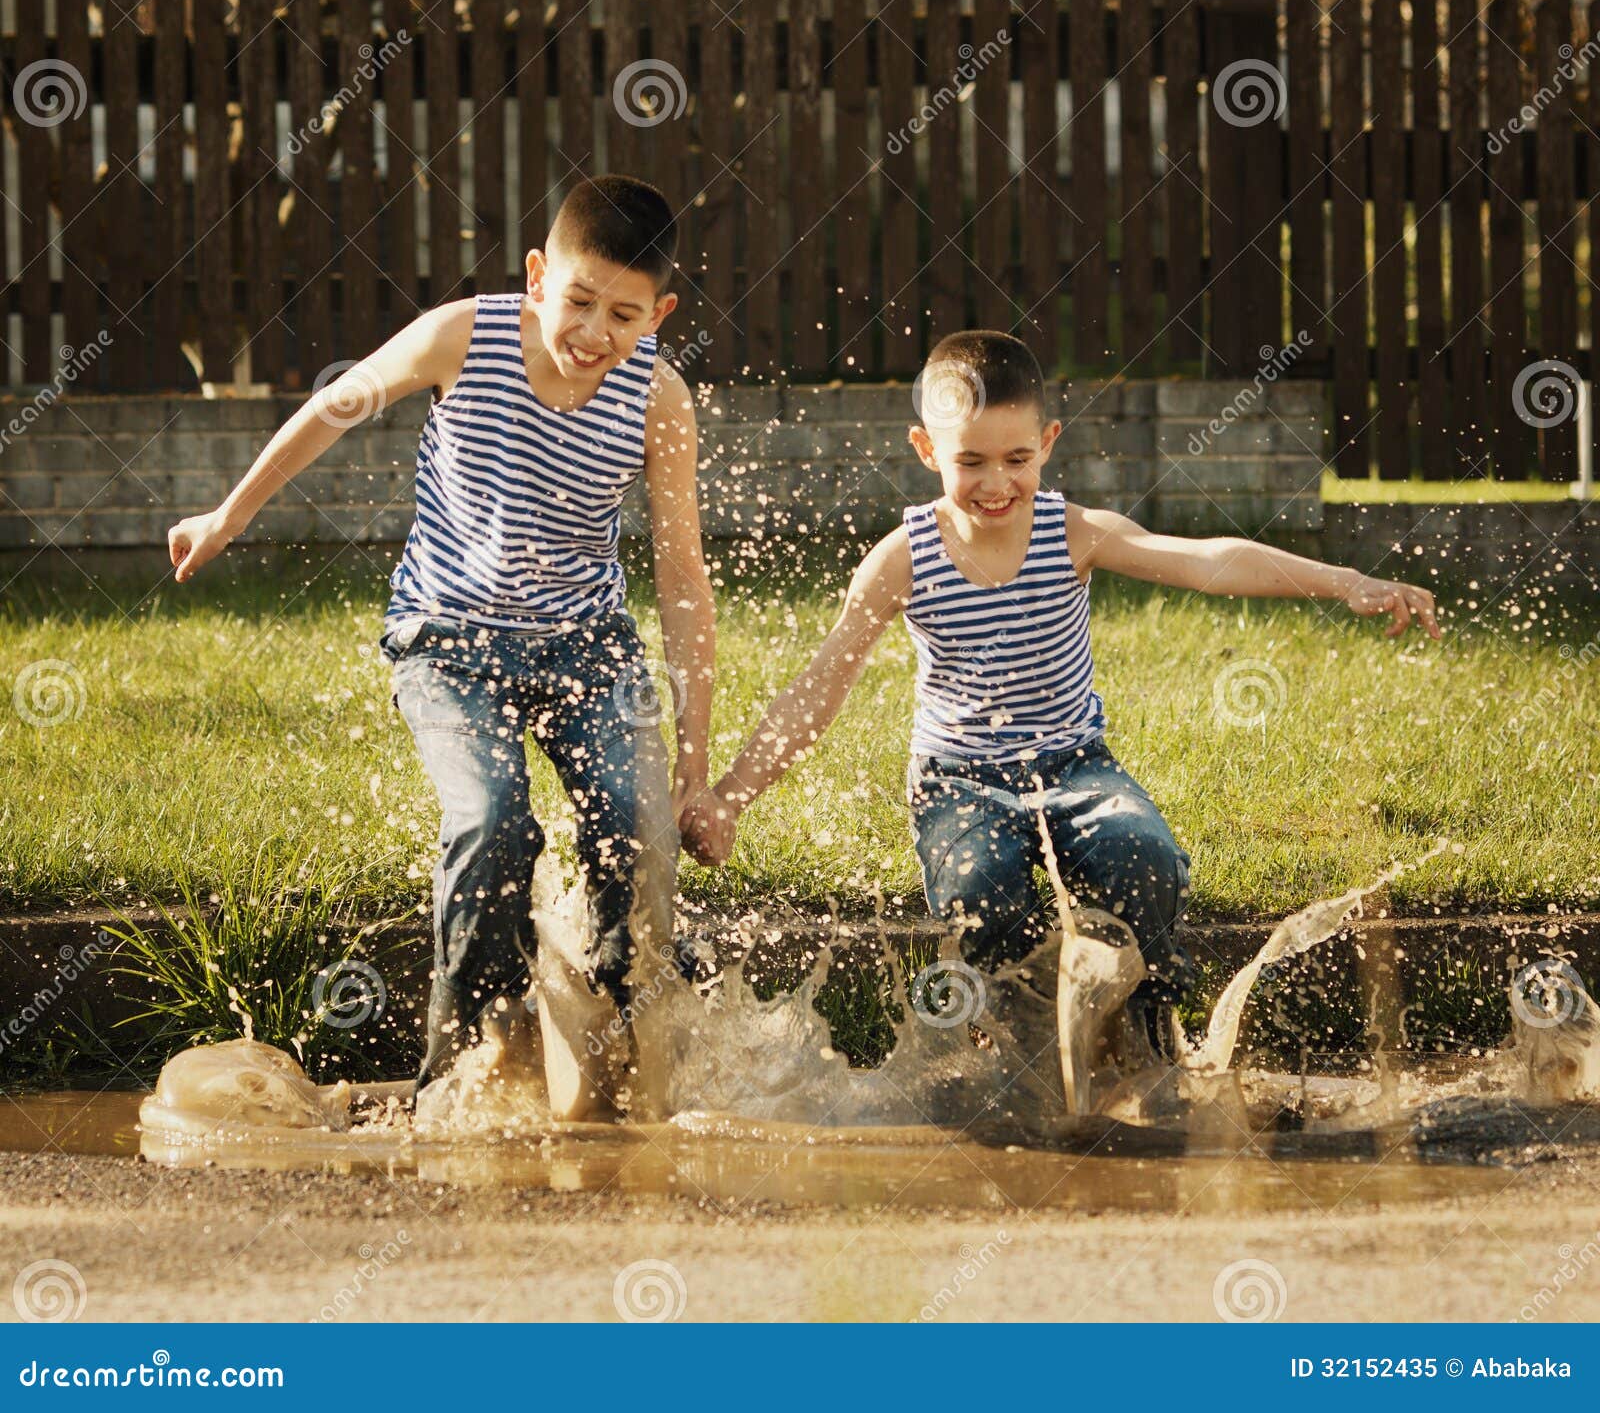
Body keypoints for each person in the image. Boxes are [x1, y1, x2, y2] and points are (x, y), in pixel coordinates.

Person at [681, 329, 1440, 1054]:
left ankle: (1141, 1027)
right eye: (970, 461)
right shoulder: (903, 559)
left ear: (1046, 444)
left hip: (1076, 766)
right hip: (959, 781)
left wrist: (1347, 581)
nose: (996, 483)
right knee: (981, 889)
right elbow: (819, 689)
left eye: (1017, 457)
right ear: (926, 450)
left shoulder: (1071, 531)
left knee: (1141, 856)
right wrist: (730, 797)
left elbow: (1210, 560)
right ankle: (1011, 1038)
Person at [168, 175, 716, 1093]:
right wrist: (228, 516)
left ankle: (632, 1054)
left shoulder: (659, 399)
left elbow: (684, 582)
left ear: (658, 313)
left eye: (624, 316)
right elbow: (331, 410)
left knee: (638, 827)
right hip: (447, 640)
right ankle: (476, 1064)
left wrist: (693, 767)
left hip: (587, 646)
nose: (594, 334)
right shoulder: (464, 336)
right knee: (491, 820)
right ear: (539, 276)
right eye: (579, 302)